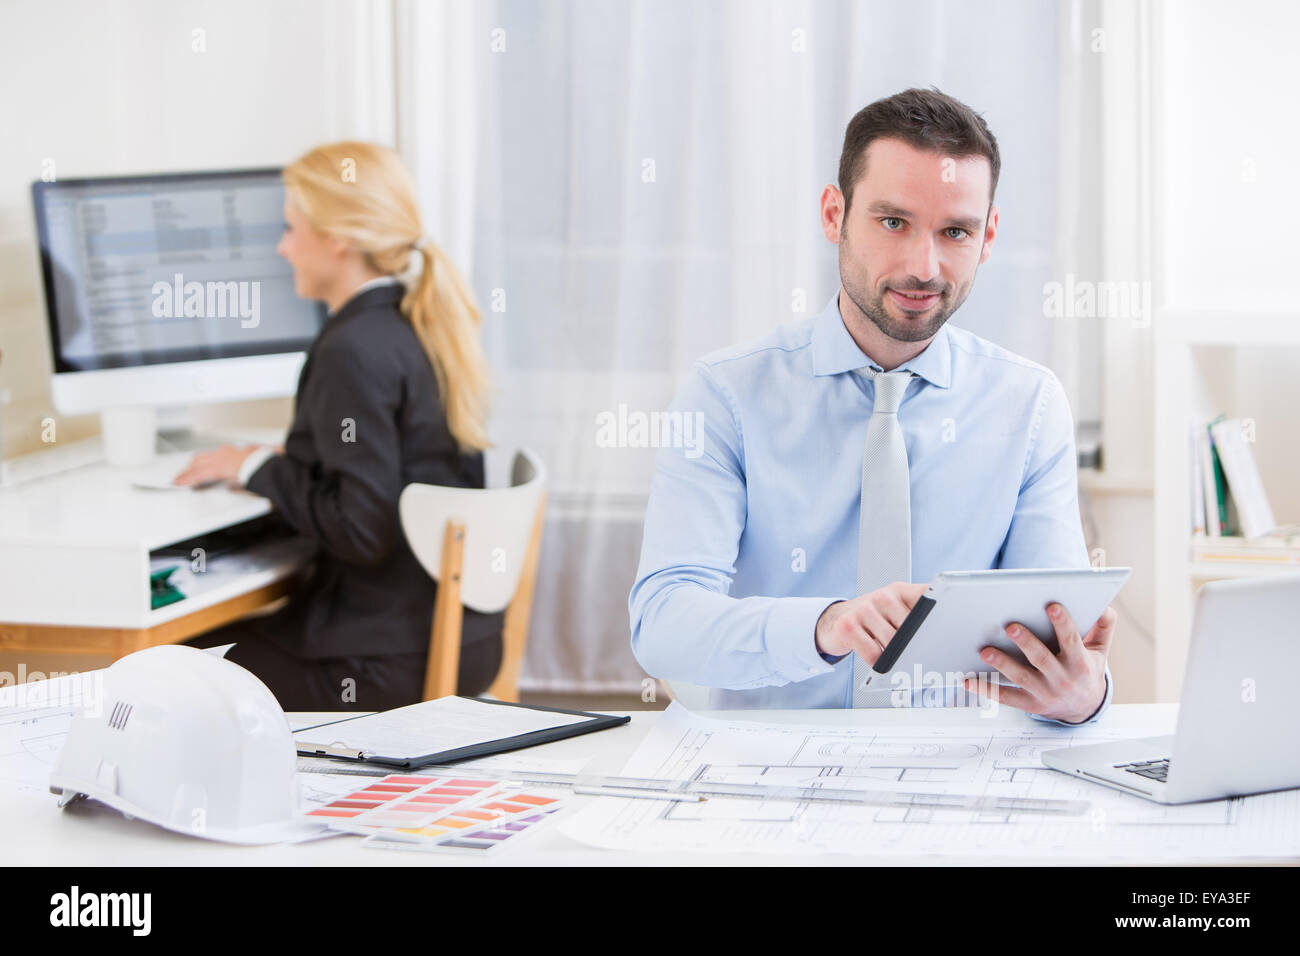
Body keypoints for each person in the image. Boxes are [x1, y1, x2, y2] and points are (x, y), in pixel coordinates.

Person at [629, 88, 1116, 724]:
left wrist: (1085, 696)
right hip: (763, 772)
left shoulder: (1028, 406)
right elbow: (663, 623)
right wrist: (827, 627)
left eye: (955, 232)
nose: (924, 266)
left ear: (988, 234)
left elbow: (1055, 637)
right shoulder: (726, 396)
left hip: (954, 767)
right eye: (893, 223)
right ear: (835, 215)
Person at [177, 141, 502, 712]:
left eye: (291, 228)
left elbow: (363, 528)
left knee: (169, 668)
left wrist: (256, 467)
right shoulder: (419, 322)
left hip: (381, 661)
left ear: (338, 239)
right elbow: (402, 461)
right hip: (462, 642)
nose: (282, 248)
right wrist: (298, 458)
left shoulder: (352, 347)